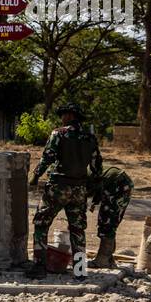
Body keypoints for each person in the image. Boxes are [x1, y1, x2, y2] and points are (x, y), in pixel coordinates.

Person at [29, 102, 101, 278]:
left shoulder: (59, 133)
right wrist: (92, 188)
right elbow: (96, 166)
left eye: (63, 115)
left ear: (69, 115)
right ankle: (80, 271)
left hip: (58, 186)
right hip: (79, 189)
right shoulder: (90, 138)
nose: (61, 118)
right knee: (77, 229)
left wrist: (35, 176)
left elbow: (48, 156)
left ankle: (39, 267)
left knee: (41, 223)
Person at [90, 165, 133, 268]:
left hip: (118, 185)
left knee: (107, 223)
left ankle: (102, 260)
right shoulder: (77, 169)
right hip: (121, 183)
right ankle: (108, 259)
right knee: (109, 223)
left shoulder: (75, 176)